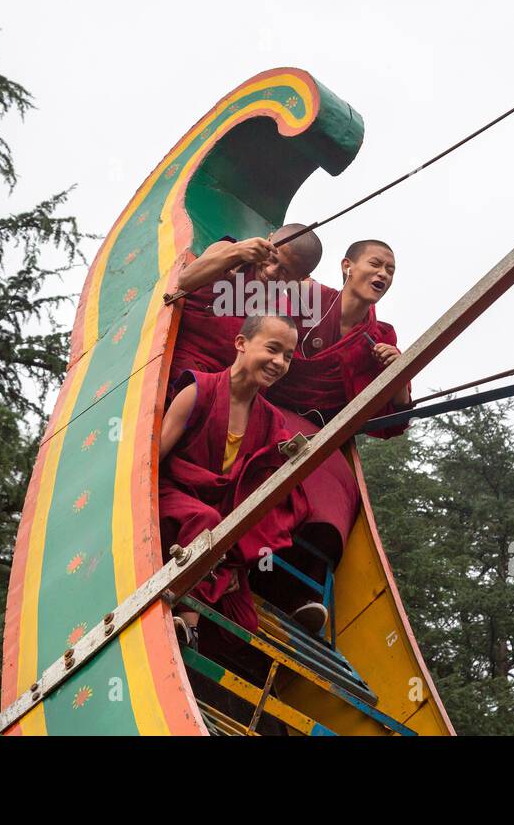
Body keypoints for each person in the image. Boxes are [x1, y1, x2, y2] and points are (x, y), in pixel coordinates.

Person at [159, 312, 328, 649]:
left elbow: (262, 499)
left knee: (243, 622)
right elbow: (153, 460)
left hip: (222, 528)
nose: (279, 362)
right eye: (273, 349)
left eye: (288, 356)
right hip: (173, 499)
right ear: (241, 343)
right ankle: (187, 627)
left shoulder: (271, 421)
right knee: (205, 520)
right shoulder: (199, 391)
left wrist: (240, 561)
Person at [267, 238, 411, 439]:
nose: (383, 273)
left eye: (390, 271)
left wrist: (400, 373)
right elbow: (274, 271)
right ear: (347, 266)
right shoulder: (311, 295)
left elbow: (397, 418)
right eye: (375, 264)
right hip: (268, 407)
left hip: (321, 436)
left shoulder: (381, 337)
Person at [167, 224, 323, 395]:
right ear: (269, 239)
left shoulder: (280, 312)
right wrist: (236, 252)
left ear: (299, 278)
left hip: (222, 384)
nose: (271, 272)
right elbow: (185, 281)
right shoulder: (231, 255)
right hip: (180, 361)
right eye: (272, 258)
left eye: (284, 272)